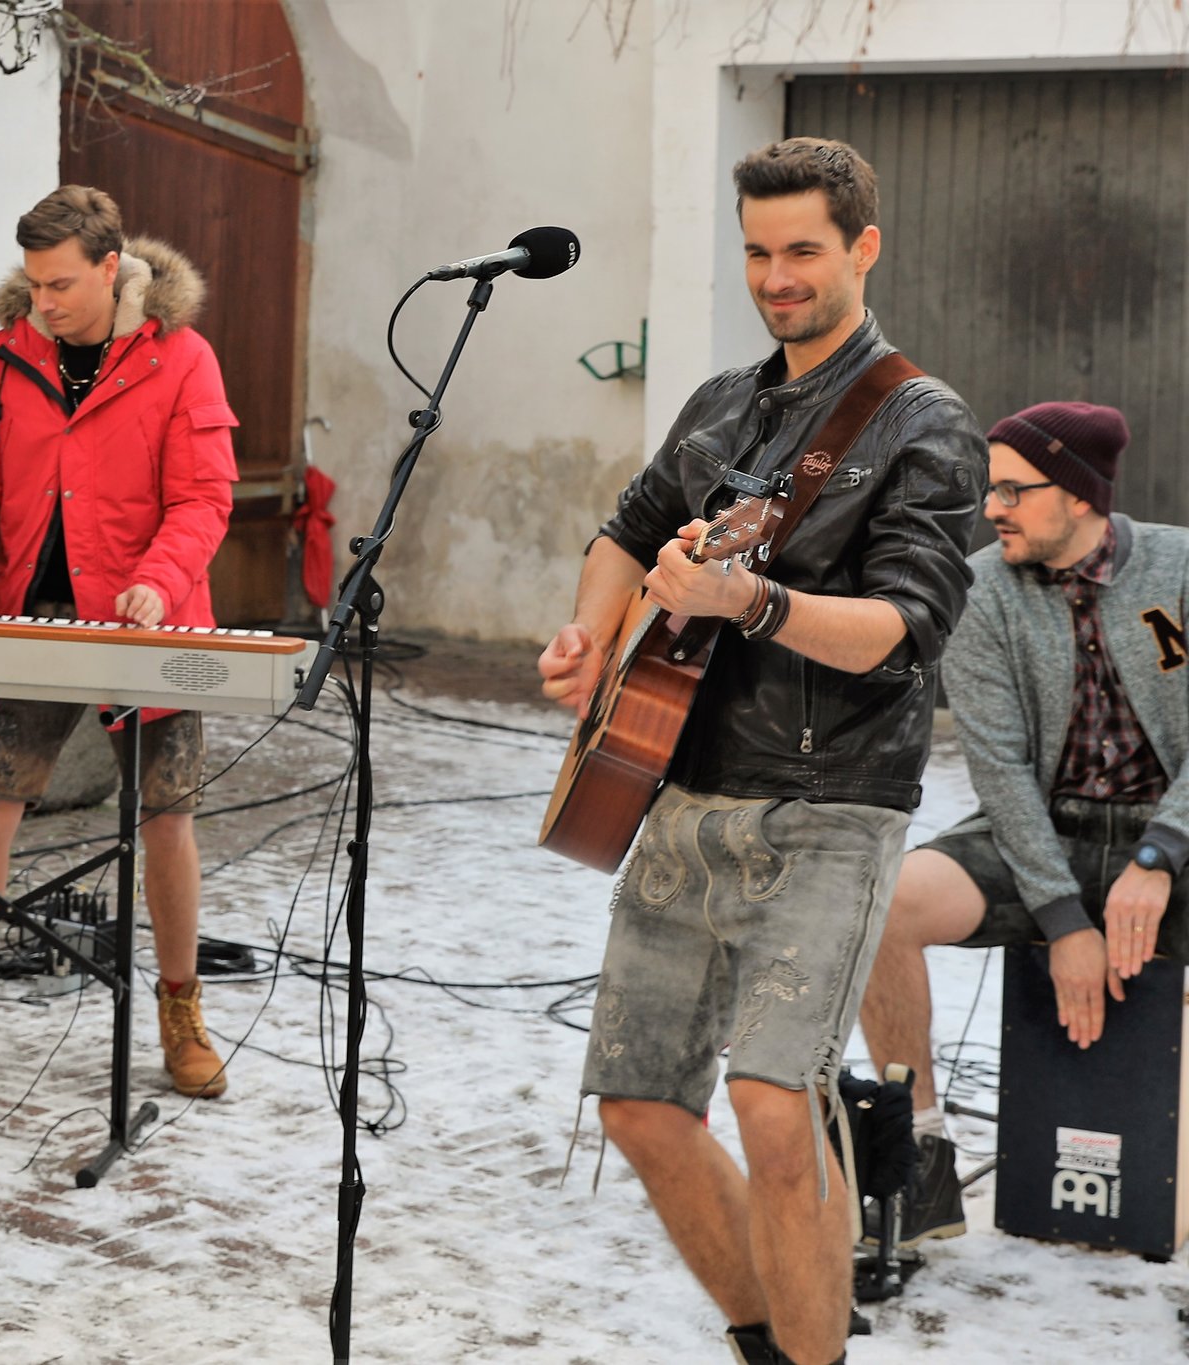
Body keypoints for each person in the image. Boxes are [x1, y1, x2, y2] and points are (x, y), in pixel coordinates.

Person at [537, 138, 986, 1365]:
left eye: (801, 251)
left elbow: (905, 633)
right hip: (679, 784)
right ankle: (774, 1342)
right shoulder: (721, 402)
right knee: (636, 1105)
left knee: (773, 1111)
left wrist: (756, 605)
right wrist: (588, 632)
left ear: (861, 248)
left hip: (831, 806)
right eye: (755, 251)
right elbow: (625, 533)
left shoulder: (923, 426)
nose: (774, 276)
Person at [0, 185, 237, 1100]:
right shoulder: (3, 358)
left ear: (109, 266)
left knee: (166, 819)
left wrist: (157, 582)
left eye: (60, 285)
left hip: (146, 618)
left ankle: (180, 1011)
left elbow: (205, 498)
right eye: (33, 284)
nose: (44, 302)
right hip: (29, 617)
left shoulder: (183, 359)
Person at [859, 401, 1189, 1247]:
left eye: (1012, 489)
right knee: (878, 905)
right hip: (1040, 827)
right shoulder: (976, 590)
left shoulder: (1180, 569)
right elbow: (1000, 770)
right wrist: (1062, 916)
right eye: (988, 488)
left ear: (1079, 494)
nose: (991, 507)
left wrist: (1159, 855)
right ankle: (919, 1159)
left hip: (1172, 828)